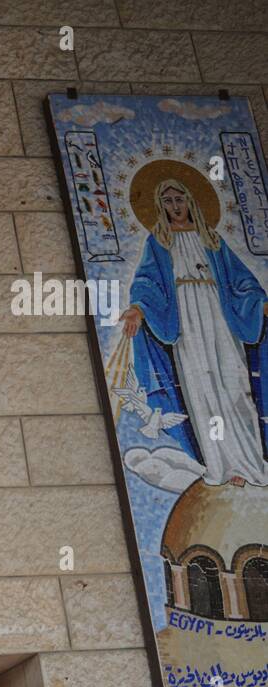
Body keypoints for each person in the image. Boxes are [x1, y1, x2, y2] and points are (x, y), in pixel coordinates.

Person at [120, 175, 268, 486]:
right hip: (187, 320)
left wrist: (259, 303)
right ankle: (223, 466)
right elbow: (147, 282)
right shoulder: (159, 242)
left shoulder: (212, 239)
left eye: (179, 199)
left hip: (219, 316)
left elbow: (241, 280)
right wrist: (138, 308)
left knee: (235, 382)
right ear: (161, 206)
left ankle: (251, 460)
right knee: (201, 388)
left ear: (190, 201)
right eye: (168, 201)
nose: (175, 206)